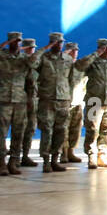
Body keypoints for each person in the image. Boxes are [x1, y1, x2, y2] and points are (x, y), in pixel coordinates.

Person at [0, 32, 41, 176]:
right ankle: (1, 163)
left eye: (18, 41)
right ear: (8, 41)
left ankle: (13, 162)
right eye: (13, 41)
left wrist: (31, 100)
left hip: (20, 101)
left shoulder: (25, 58)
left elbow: (31, 80)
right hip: (3, 100)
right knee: (1, 133)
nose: (16, 43)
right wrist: (1, 46)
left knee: (18, 133)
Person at [74, 39, 107, 169]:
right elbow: (79, 66)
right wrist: (96, 54)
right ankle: (91, 156)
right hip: (94, 101)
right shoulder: (93, 63)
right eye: (104, 48)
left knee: (106, 130)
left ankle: (102, 155)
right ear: (99, 49)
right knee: (92, 130)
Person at [35, 33, 74, 173]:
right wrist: (44, 48)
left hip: (63, 100)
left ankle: (55, 160)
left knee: (61, 131)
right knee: (47, 130)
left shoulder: (68, 59)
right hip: (47, 99)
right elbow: (32, 63)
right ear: (51, 43)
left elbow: (71, 80)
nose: (59, 45)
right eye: (56, 43)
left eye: (61, 42)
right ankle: (46, 161)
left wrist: (69, 98)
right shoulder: (43, 58)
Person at [19, 38, 41, 167]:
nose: (32, 50)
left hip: (33, 101)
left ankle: (25, 155)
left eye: (33, 48)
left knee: (30, 129)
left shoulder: (36, 63)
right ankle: (15, 157)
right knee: (19, 129)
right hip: (20, 101)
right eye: (29, 48)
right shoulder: (19, 61)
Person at [64, 41, 85, 165]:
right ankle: (64, 153)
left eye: (76, 50)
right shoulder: (61, 65)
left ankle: (71, 151)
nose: (75, 52)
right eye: (72, 50)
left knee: (76, 128)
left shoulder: (79, 66)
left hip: (77, 101)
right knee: (63, 129)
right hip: (65, 101)